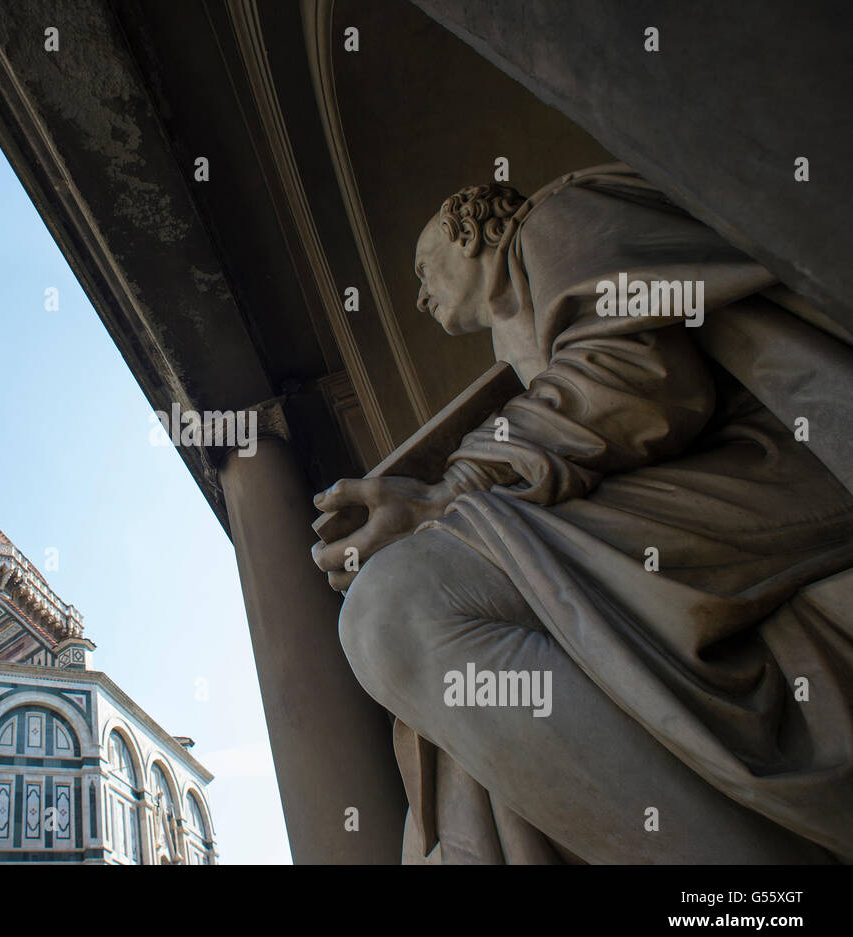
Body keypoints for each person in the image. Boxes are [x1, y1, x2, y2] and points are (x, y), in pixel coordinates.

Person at [312, 165, 853, 863]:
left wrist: (453, 491)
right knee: (465, 719)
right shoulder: (516, 332)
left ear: (478, 228)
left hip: (779, 473)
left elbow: (642, 383)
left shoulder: (556, 219)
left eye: (426, 266)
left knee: (401, 605)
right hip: (710, 494)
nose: (418, 295)